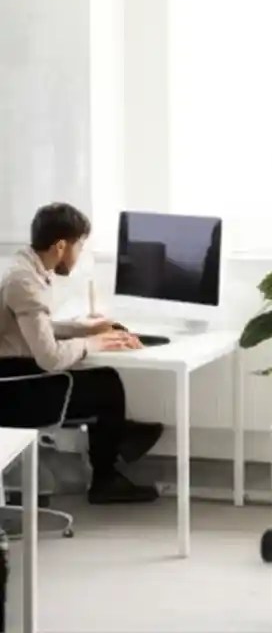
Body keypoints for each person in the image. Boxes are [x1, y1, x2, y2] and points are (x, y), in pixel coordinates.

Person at [0, 203, 162, 504]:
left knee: (105, 382)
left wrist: (87, 330)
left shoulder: (26, 270)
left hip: (13, 374)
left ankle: (121, 444)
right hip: (13, 389)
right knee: (106, 385)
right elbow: (50, 358)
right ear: (61, 246)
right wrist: (95, 344)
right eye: (80, 246)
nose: (80, 254)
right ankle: (109, 473)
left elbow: (39, 327)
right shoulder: (25, 283)